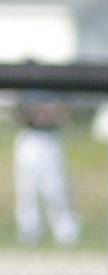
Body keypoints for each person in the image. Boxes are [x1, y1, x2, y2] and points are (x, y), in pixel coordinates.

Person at [13, 88, 81, 246]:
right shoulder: (26, 81)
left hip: (50, 138)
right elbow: (21, 110)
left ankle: (66, 232)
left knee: (55, 188)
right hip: (29, 137)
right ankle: (29, 231)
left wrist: (51, 112)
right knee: (27, 189)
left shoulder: (57, 85)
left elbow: (64, 110)